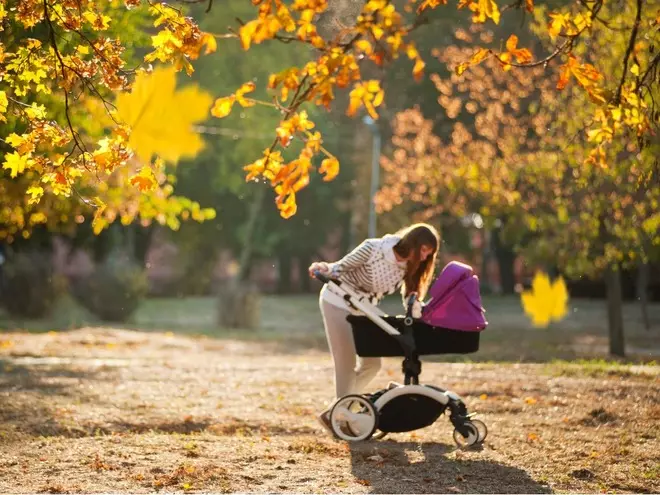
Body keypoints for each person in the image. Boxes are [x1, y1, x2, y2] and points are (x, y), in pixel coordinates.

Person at [309, 223, 440, 434]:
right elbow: (340, 267)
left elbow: (410, 298)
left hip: (364, 308)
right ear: (414, 242)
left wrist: (419, 311)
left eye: (429, 254)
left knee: (372, 363)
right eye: (424, 250)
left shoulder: (409, 267)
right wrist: (323, 268)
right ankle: (340, 421)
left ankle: (336, 411)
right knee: (346, 363)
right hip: (337, 300)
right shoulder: (374, 248)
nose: (425, 257)